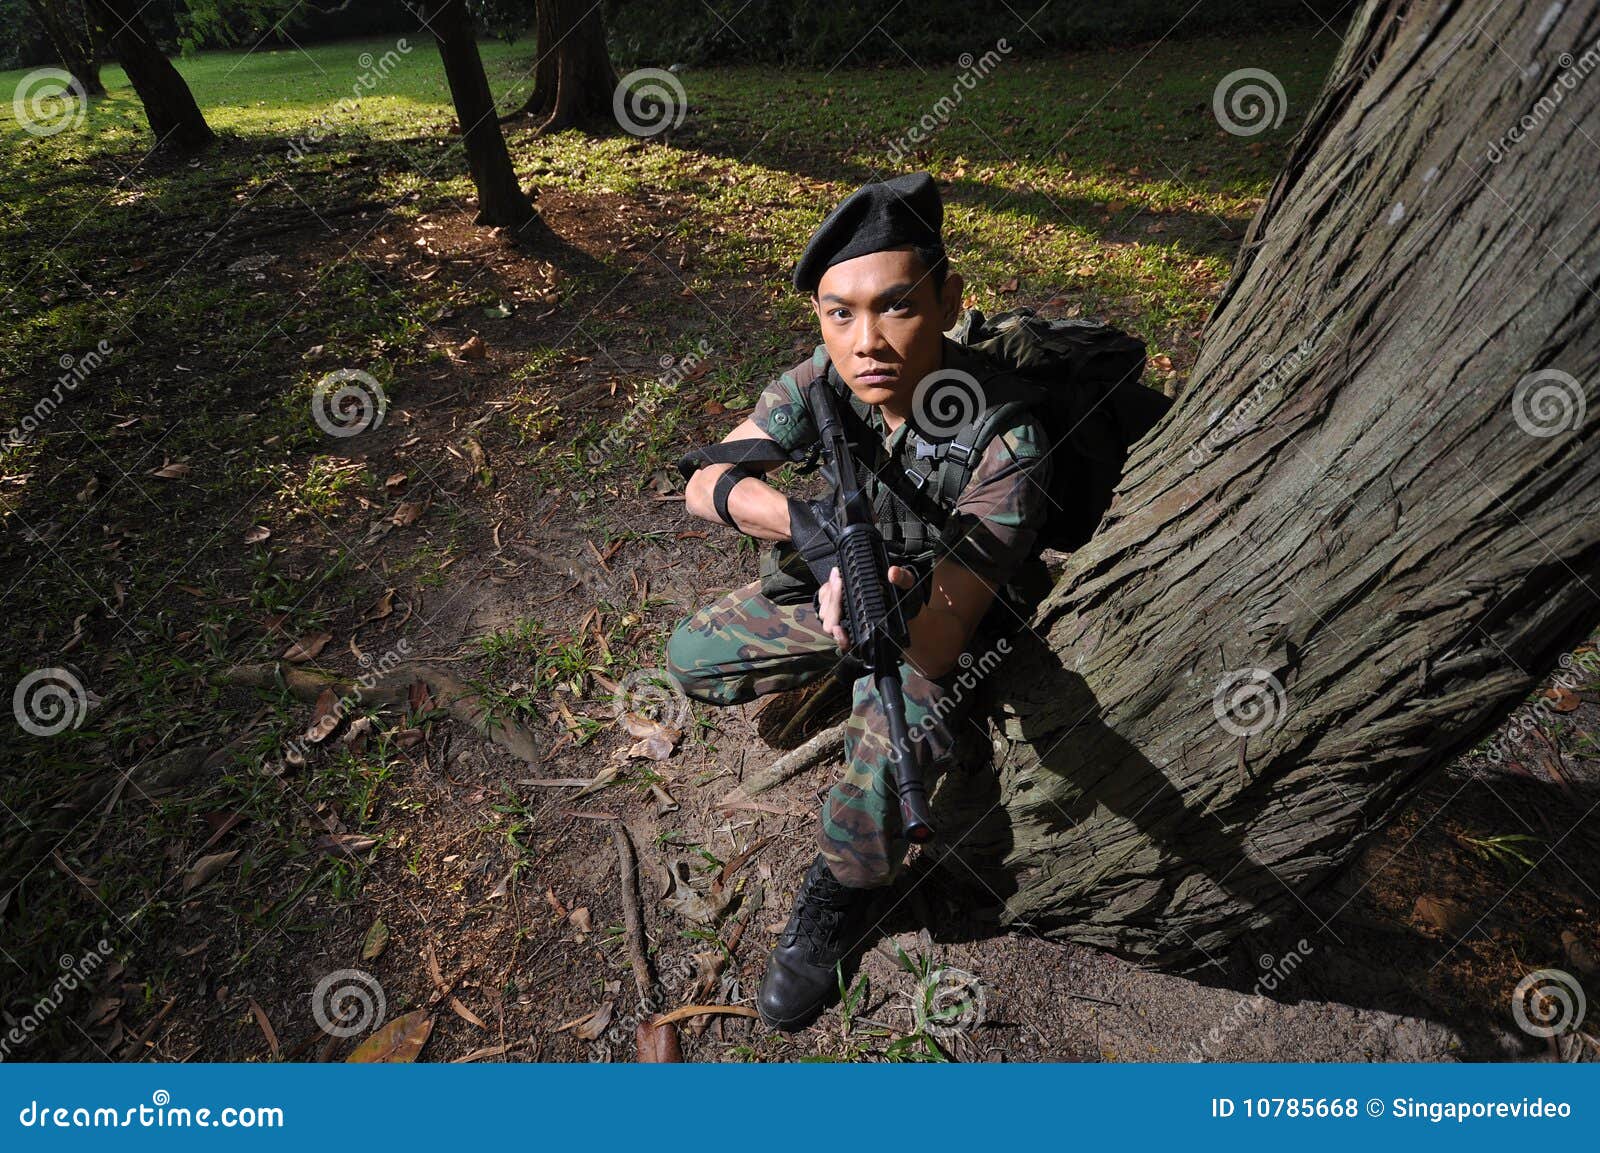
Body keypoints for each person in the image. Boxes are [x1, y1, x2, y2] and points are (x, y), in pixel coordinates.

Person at [664, 172, 1054, 1031]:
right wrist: (809, 528)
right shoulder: (822, 382)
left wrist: (889, 595)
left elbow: (948, 625)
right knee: (691, 656)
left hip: (944, 623)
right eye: (839, 313)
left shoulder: (1004, 437)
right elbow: (705, 480)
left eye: (896, 307)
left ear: (950, 301)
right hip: (845, 585)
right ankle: (847, 662)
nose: (866, 340)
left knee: (897, 737)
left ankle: (840, 895)